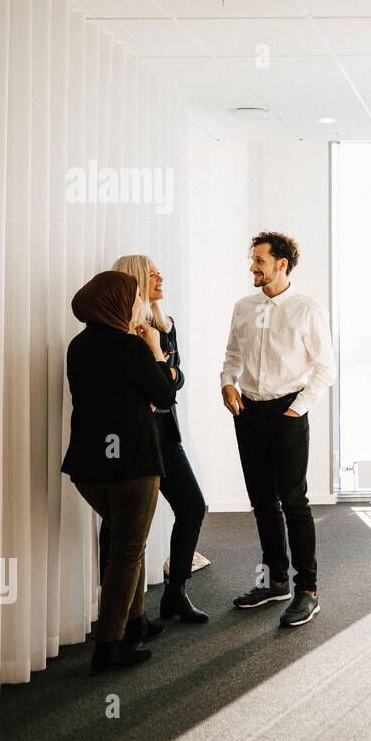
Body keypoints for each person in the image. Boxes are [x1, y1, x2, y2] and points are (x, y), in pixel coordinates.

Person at [61, 271, 176, 673]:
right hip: (132, 464)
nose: (136, 305)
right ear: (115, 303)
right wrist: (157, 351)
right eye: (132, 298)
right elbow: (164, 395)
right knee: (127, 550)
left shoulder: (78, 346)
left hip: (88, 466)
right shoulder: (130, 346)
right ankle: (108, 646)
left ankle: (135, 621)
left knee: (127, 542)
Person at [221, 231, 334, 628]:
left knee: (294, 501)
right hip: (248, 412)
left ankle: (308, 590)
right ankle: (276, 581)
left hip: (288, 410)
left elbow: (325, 367)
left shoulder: (307, 309)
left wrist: (297, 409)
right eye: (253, 260)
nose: (253, 267)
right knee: (262, 501)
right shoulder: (243, 307)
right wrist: (227, 382)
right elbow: (232, 354)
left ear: (281, 264)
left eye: (260, 261)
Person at [109, 255, 209, 624]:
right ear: (136, 281)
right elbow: (154, 385)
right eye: (152, 274)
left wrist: (159, 357)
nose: (161, 277)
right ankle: (122, 613)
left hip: (165, 434)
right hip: (134, 440)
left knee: (192, 507)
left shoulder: (164, 327)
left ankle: (176, 593)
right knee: (126, 524)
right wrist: (161, 367)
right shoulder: (119, 331)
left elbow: (175, 381)